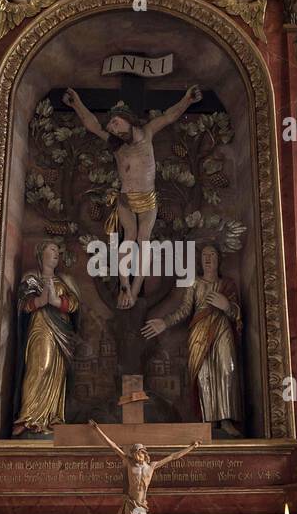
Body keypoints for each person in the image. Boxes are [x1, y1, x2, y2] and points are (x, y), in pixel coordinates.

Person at [63, 83, 201, 307]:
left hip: (148, 199)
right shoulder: (116, 145)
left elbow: (168, 116)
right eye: (112, 127)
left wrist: (187, 100)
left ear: (127, 118)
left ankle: (134, 292)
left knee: (143, 241)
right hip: (126, 197)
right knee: (129, 237)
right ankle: (124, 285)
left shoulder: (147, 132)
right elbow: (92, 125)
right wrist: (77, 103)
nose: (113, 128)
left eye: (116, 122)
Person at [143, 242, 242, 435]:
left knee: (225, 370)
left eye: (212, 254)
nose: (208, 258)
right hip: (199, 334)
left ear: (219, 260)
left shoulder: (227, 284)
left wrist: (227, 306)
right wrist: (164, 322)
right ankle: (209, 421)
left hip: (222, 330)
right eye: (204, 255)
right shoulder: (195, 283)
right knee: (204, 374)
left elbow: (237, 313)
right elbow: (184, 311)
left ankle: (226, 420)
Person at [13, 241, 80, 436]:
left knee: (56, 372)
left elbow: (75, 304)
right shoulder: (31, 279)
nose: (56, 252)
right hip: (40, 327)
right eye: (51, 249)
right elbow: (23, 304)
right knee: (39, 366)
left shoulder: (65, 280)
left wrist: (57, 302)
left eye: (57, 250)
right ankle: (29, 417)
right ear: (40, 254)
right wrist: (41, 301)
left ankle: (52, 417)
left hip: (62, 332)